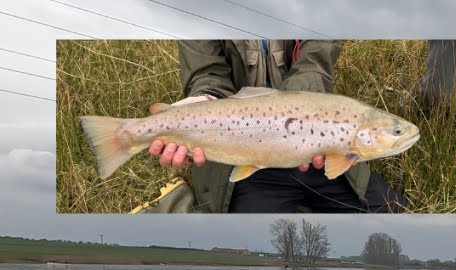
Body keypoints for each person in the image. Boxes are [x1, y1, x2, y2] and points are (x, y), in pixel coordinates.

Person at [151, 40, 405, 213]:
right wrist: (203, 100)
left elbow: (315, 65)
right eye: (396, 132)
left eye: (396, 132)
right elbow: (207, 75)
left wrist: (298, 126)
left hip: (317, 149)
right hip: (236, 159)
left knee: (398, 220)